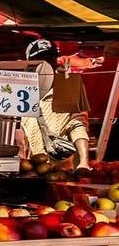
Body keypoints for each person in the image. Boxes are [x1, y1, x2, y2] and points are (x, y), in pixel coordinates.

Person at [18, 39, 91, 169]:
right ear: (30, 62)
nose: (47, 63)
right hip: (33, 167)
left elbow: (78, 125)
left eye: (51, 57)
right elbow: (20, 130)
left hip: (62, 167)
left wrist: (84, 162)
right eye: (41, 58)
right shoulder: (24, 89)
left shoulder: (67, 86)